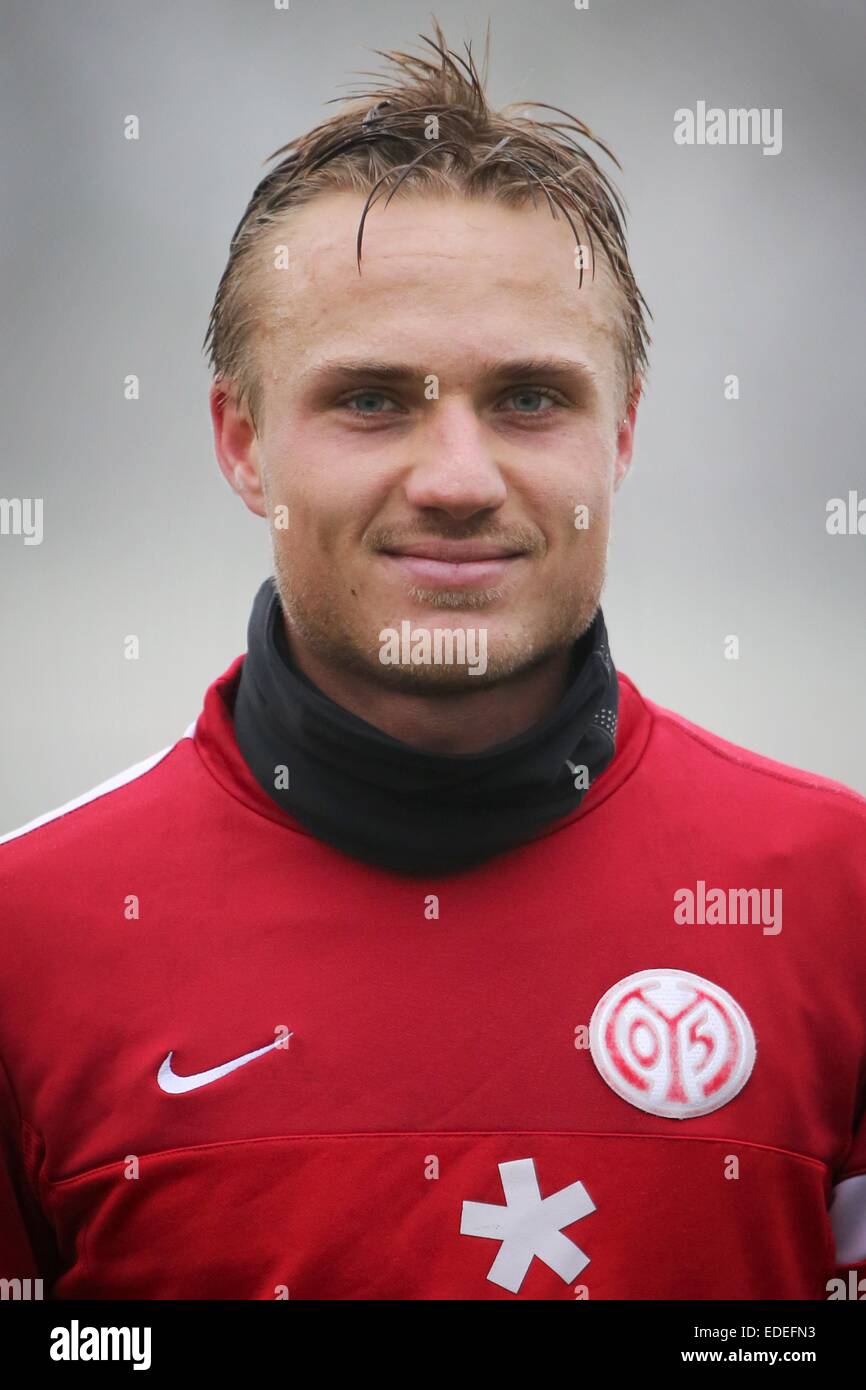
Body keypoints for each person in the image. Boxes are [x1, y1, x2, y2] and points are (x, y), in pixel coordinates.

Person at [1, 22, 864, 1301]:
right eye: (369, 399)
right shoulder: (29, 938)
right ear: (240, 444)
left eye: (527, 399)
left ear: (618, 435)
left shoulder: (837, 900)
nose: (457, 480)